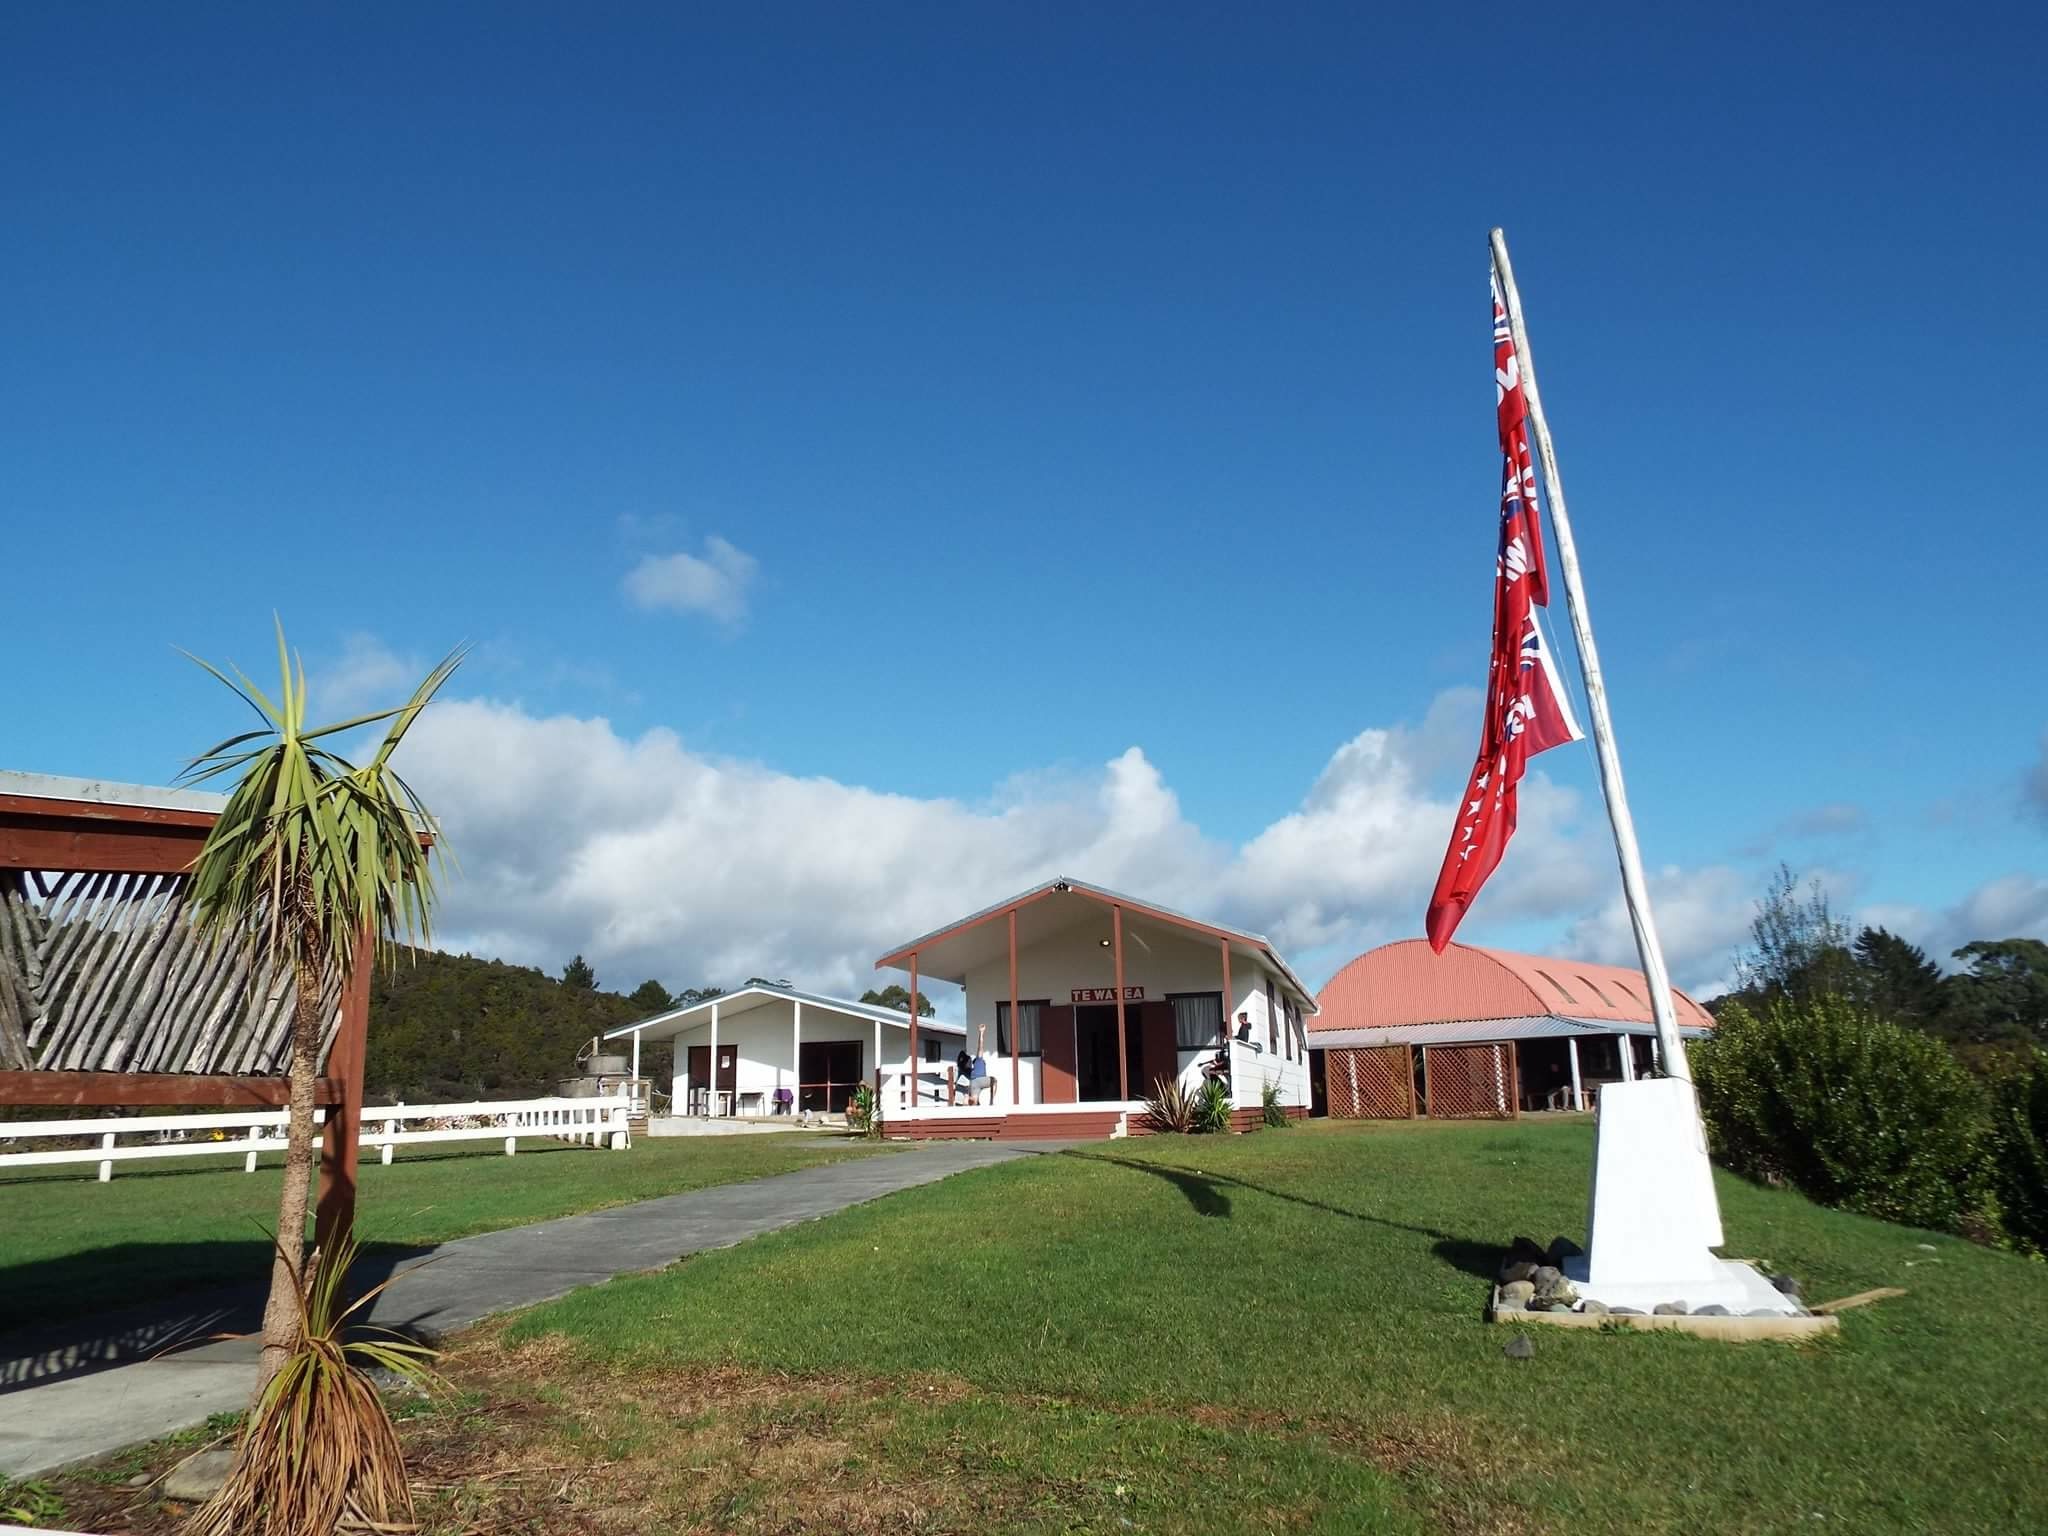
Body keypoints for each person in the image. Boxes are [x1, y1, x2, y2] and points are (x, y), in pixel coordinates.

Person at [969, 1025, 992, 1104]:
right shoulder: (979, 1060)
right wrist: (981, 1033)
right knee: (994, 1081)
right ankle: (991, 1101)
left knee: (974, 1099)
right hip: (980, 1080)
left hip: (973, 1082)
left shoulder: (972, 1067)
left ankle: (971, 1101)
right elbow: (980, 1046)